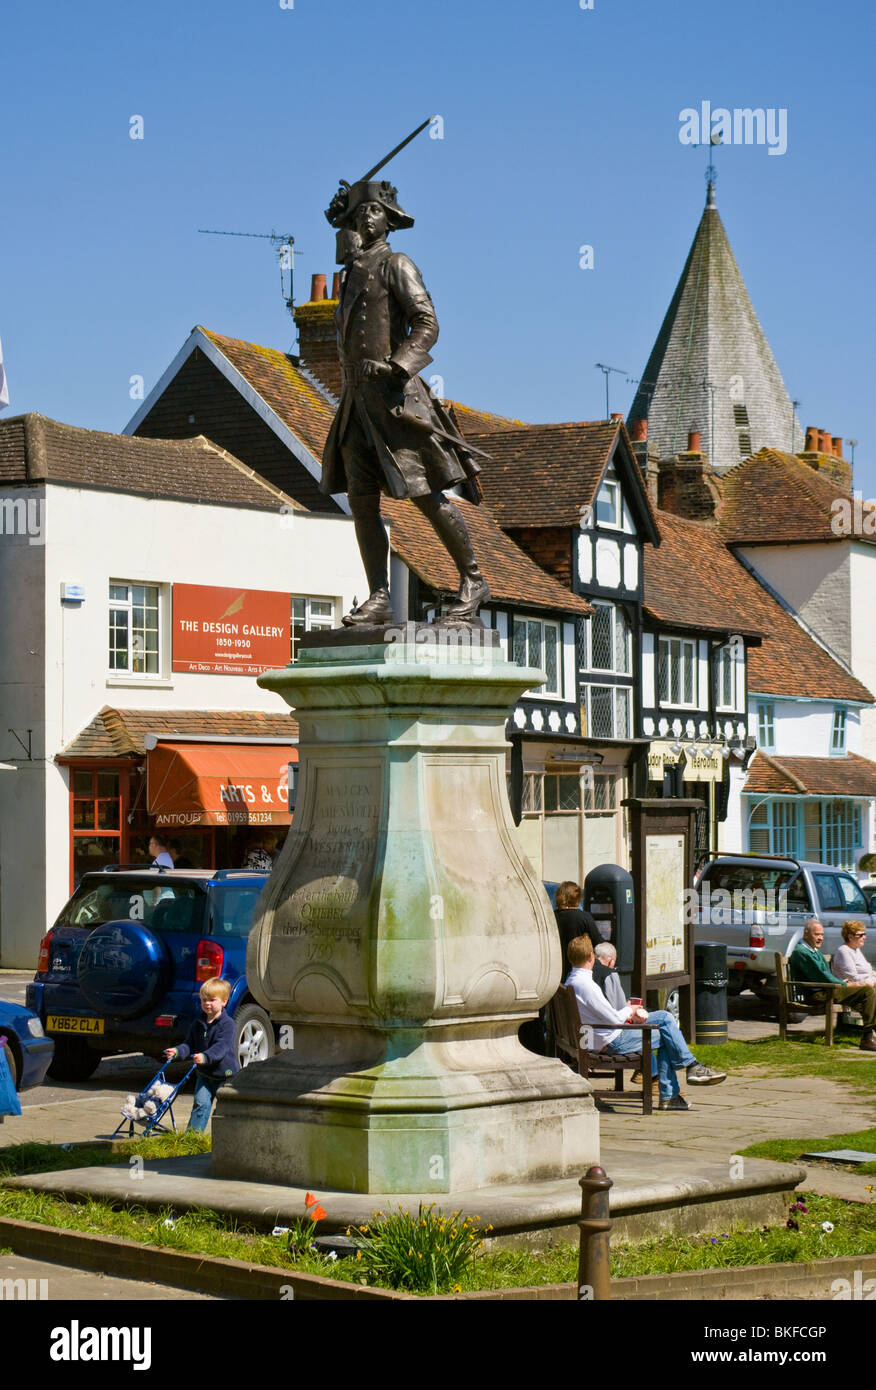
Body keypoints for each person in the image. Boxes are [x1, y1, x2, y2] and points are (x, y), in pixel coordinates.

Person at [321, 178, 489, 626]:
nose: (363, 219)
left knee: (426, 496)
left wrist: (398, 365)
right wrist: (338, 213)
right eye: (359, 214)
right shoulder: (354, 270)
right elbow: (343, 246)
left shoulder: (397, 263)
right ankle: (379, 596)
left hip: (396, 400)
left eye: (371, 212)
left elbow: (427, 323)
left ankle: (472, 580)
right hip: (356, 403)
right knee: (361, 501)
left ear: (389, 219)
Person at [564, 935, 726, 1111]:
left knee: (664, 1018)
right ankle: (679, 1084)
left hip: (594, 1038)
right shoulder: (587, 985)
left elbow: (607, 1016)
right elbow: (613, 1019)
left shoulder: (572, 980)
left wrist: (627, 1011)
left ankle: (689, 1071)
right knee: (667, 1035)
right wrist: (631, 1010)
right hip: (610, 1041)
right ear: (591, 957)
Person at [789, 919, 876, 1051]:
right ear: (806, 934)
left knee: (866, 1000)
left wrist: (843, 983)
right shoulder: (802, 952)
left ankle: (869, 1036)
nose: (820, 938)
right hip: (817, 994)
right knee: (867, 991)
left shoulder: (813, 950)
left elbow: (825, 975)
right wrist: (845, 984)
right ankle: (867, 1038)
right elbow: (820, 975)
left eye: (822, 935)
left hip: (826, 990)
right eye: (817, 934)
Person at [164, 978, 237, 1132]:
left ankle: (226, 1135)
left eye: (212, 1000)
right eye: (204, 1000)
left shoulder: (227, 1024)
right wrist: (177, 1051)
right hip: (204, 1074)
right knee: (200, 1104)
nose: (207, 1003)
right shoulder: (198, 1022)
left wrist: (205, 1056)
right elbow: (189, 1044)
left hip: (225, 1075)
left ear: (224, 1002)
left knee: (225, 1109)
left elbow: (221, 1047)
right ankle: (193, 1137)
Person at [553, 881, 601, 964]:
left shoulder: (552, 916)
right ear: (577, 898)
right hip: (578, 966)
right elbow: (598, 942)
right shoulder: (584, 917)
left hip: (555, 965)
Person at [832, 921, 876, 987]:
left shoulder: (856, 949)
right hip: (851, 990)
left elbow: (868, 971)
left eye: (864, 934)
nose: (864, 937)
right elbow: (853, 978)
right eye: (860, 935)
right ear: (850, 937)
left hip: (866, 986)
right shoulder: (843, 951)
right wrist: (872, 980)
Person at [592, 941, 626, 1012]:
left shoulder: (585, 970)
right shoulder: (610, 974)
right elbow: (620, 1007)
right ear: (611, 961)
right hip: (606, 1021)